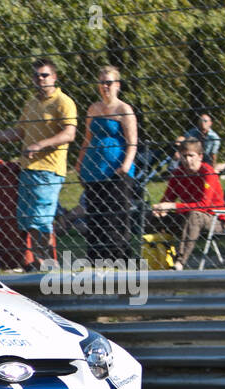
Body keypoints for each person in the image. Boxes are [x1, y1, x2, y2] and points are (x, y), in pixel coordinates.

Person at [0, 58, 77, 269]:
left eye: (45, 75)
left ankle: (49, 265)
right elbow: (18, 133)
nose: (40, 79)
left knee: (41, 220)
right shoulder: (31, 103)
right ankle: (38, 264)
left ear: (54, 77)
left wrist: (40, 145)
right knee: (28, 221)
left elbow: (69, 133)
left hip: (48, 169)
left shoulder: (63, 102)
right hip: (27, 169)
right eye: (36, 75)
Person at [75, 65, 137, 261]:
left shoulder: (123, 109)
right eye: (101, 82)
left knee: (115, 218)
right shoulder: (94, 108)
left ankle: (119, 259)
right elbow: (87, 139)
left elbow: (132, 141)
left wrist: (126, 165)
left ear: (117, 85)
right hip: (93, 170)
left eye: (109, 82)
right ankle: (96, 260)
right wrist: (79, 163)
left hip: (116, 171)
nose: (105, 86)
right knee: (95, 217)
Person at [150, 139, 224, 270]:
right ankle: (153, 257)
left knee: (195, 215)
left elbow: (204, 205)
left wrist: (172, 206)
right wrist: (160, 209)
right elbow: (167, 199)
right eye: (184, 156)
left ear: (200, 156)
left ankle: (179, 262)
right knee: (150, 216)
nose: (187, 159)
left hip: (214, 220)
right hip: (185, 217)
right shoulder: (178, 173)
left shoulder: (208, 172)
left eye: (191, 155)